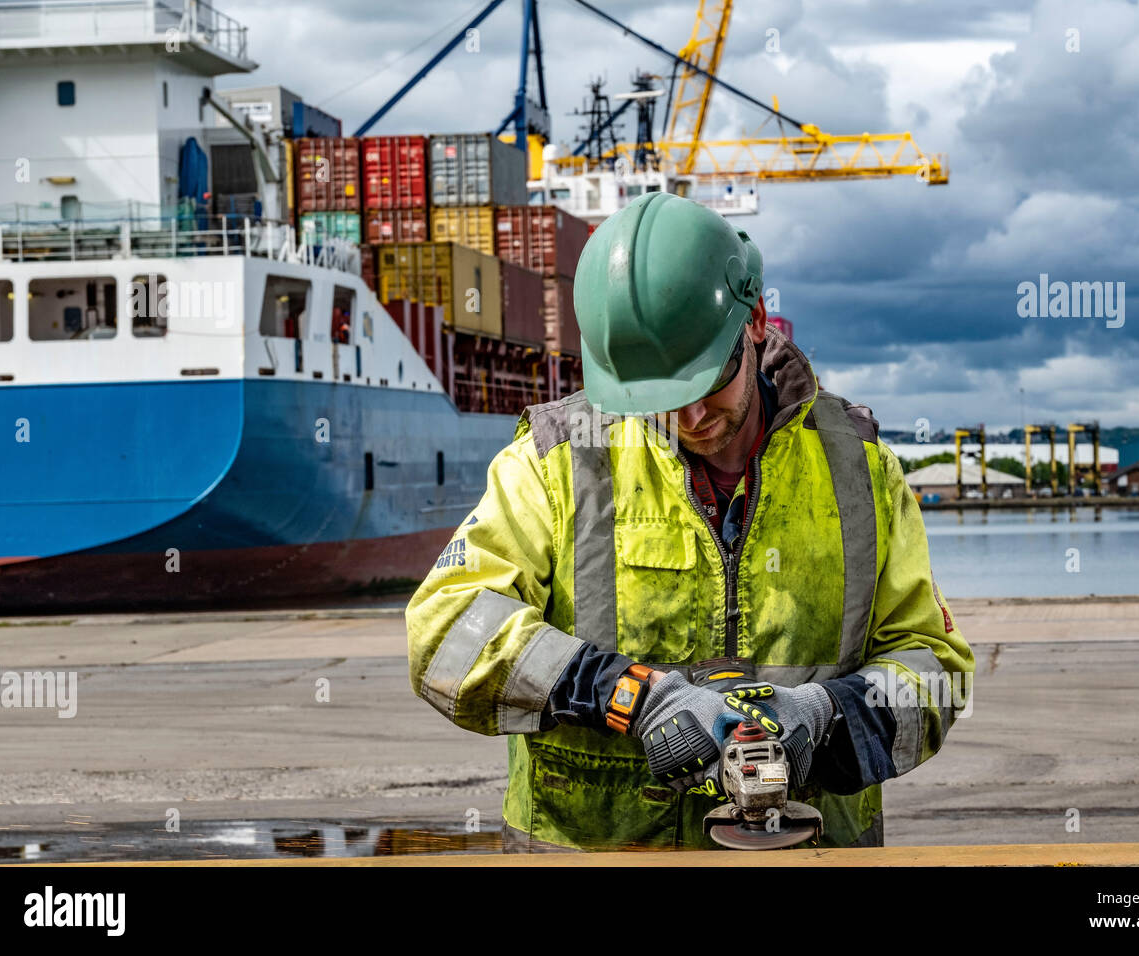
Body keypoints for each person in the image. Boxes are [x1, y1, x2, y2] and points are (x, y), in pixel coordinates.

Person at [406, 192, 974, 851]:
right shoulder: (558, 463)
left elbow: (935, 666)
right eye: (660, 401)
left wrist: (825, 719)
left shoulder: (858, 466)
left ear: (756, 321)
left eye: (708, 384)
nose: (690, 419)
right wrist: (626, 695)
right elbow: (444, 634)